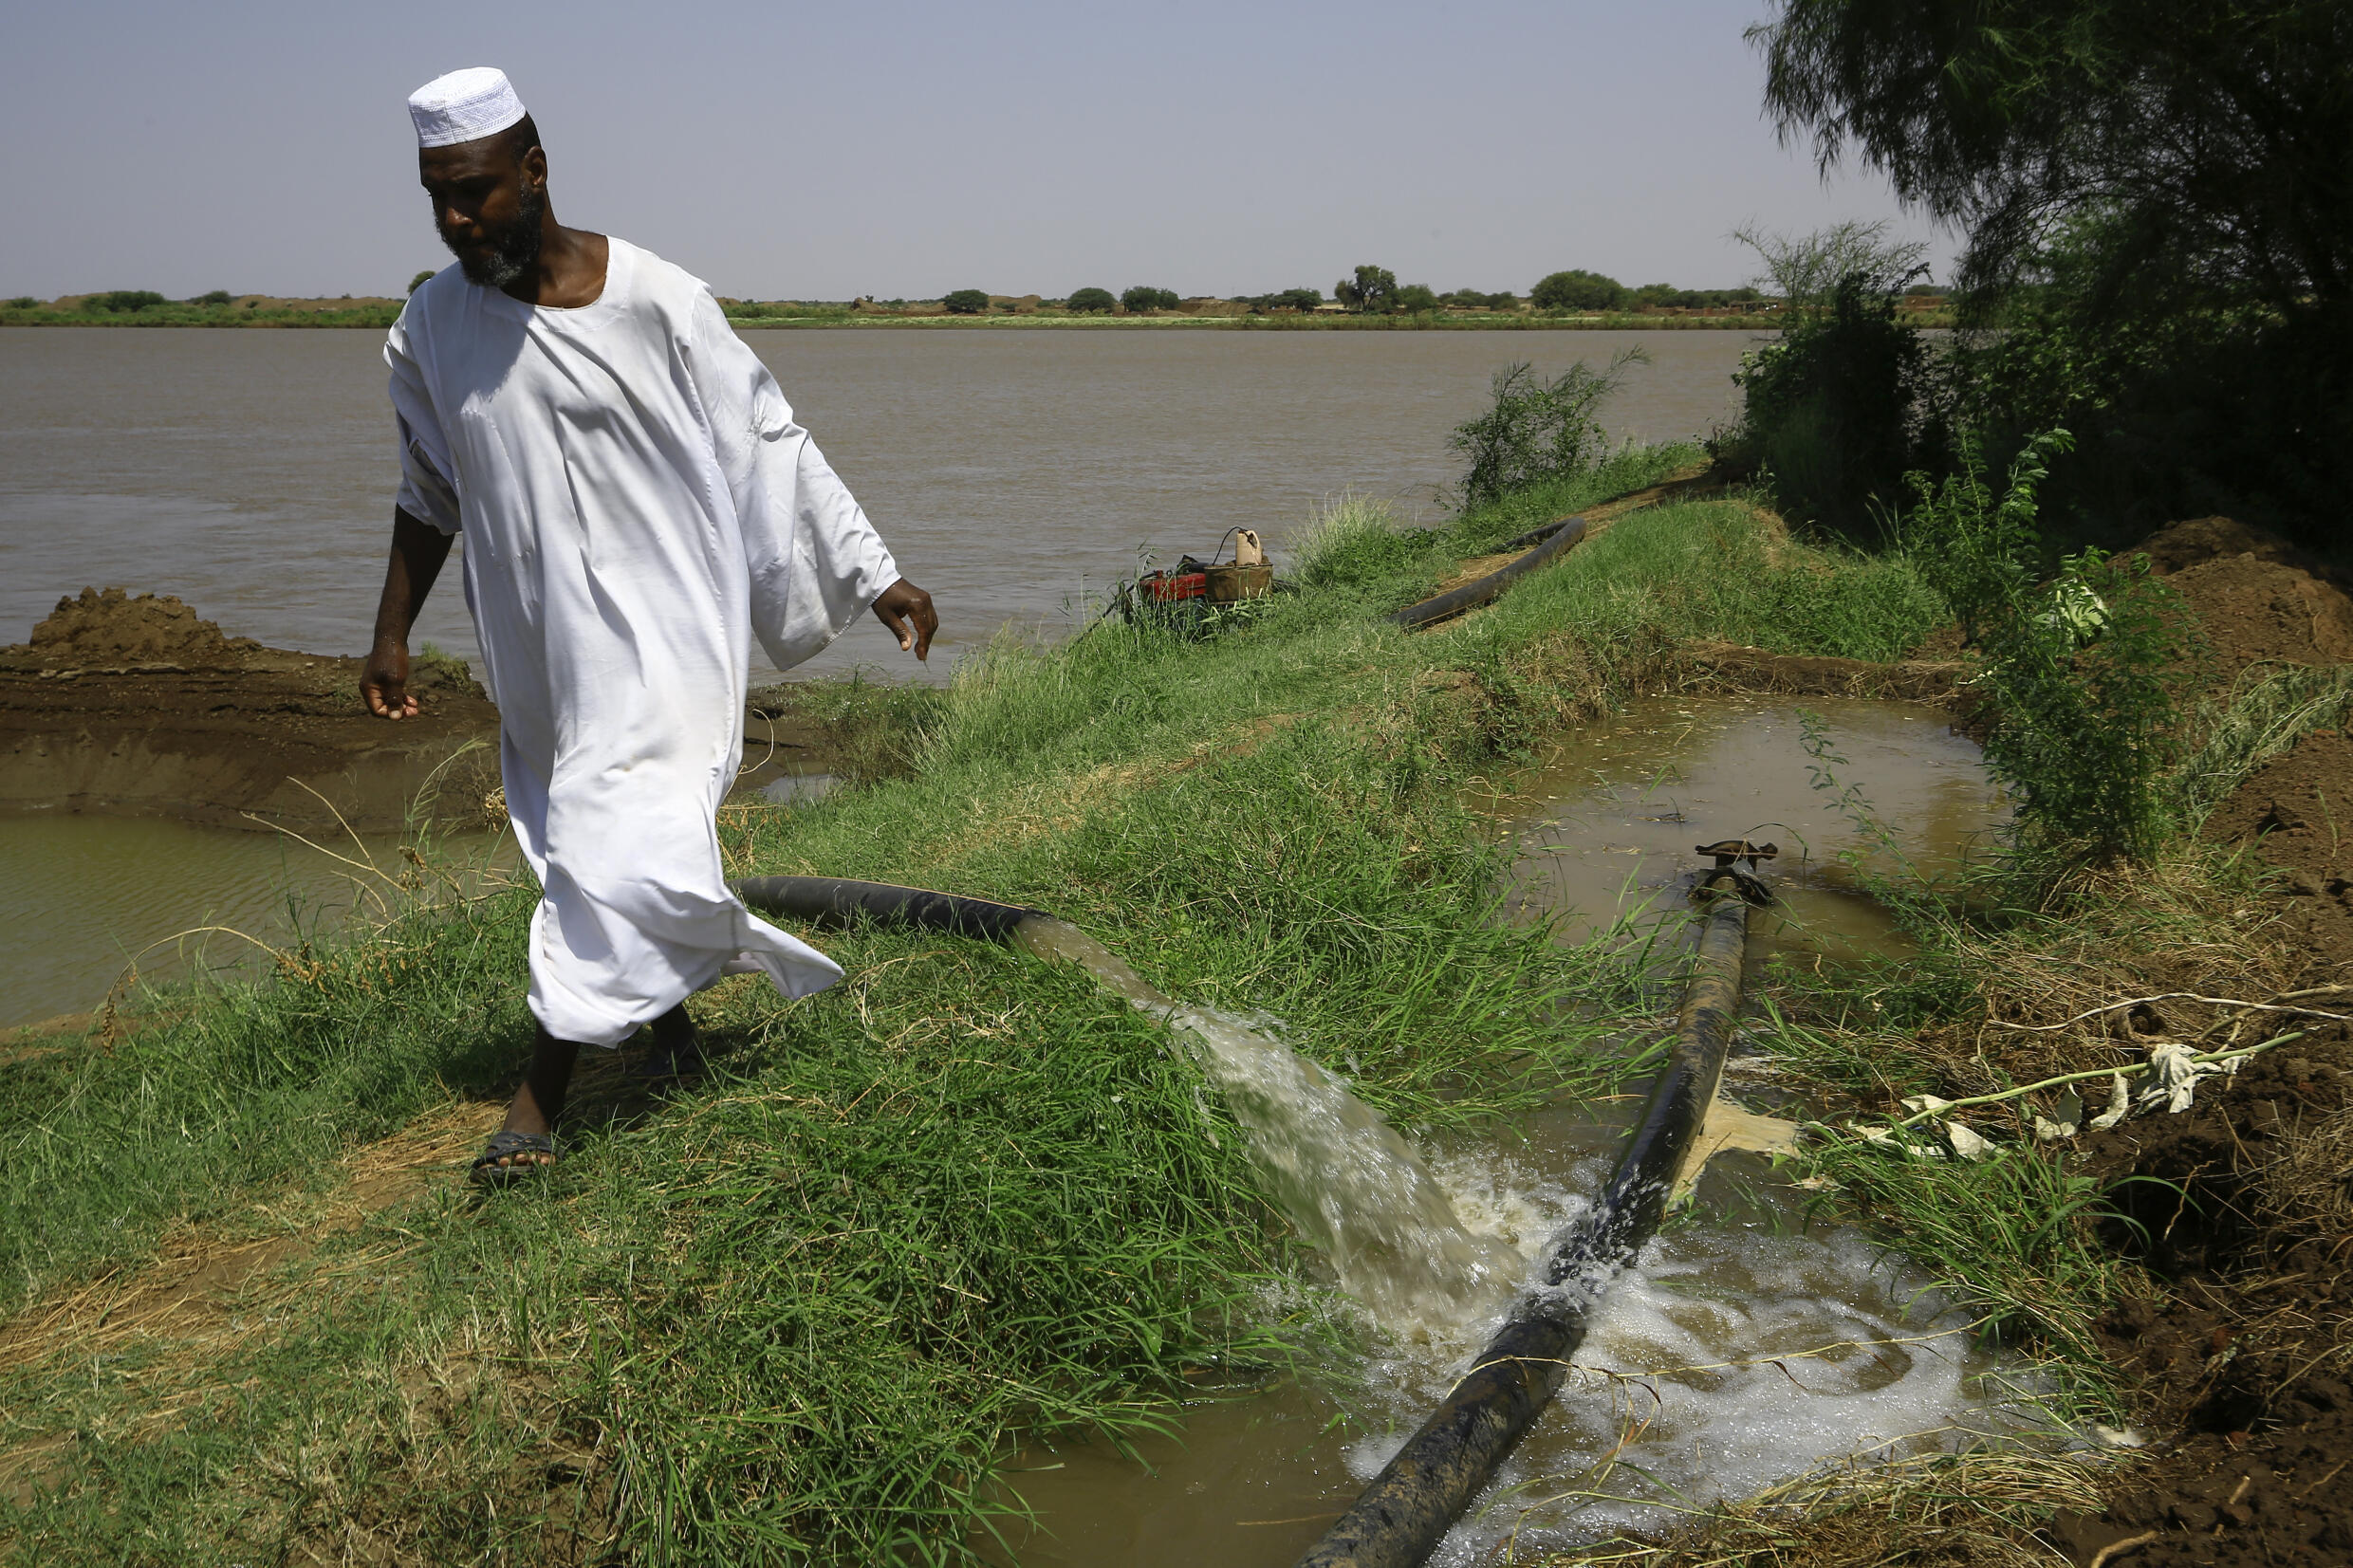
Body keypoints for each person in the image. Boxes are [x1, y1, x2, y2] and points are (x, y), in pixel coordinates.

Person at [361, 67, 936, 1184]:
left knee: (612, 829)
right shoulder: (429, 328)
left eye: (473, 191)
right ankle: (671, 1031)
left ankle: (538, 1102)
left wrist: (877, 576)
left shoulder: (660, 300)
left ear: (533, 170)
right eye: (435, 196)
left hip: (668, 637)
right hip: (543, 647)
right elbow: (427, 493)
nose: (453, 218)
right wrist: (389, 635)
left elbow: (767, 442)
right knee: (589, 839)